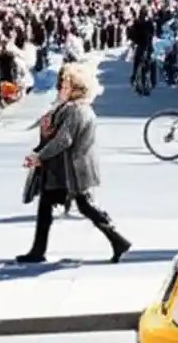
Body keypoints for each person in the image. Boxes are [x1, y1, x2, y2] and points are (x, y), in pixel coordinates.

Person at [17, 62, 131, 263]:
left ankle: (117, 240)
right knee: (61, 205)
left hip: (71, 171)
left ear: (77, 89)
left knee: (81, 205)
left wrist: (39, 156)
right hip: (68, 169)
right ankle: (38, 250)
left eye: (66, 85)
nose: (61, 88)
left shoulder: (76, 110)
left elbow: (64, 140)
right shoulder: (70, 108)